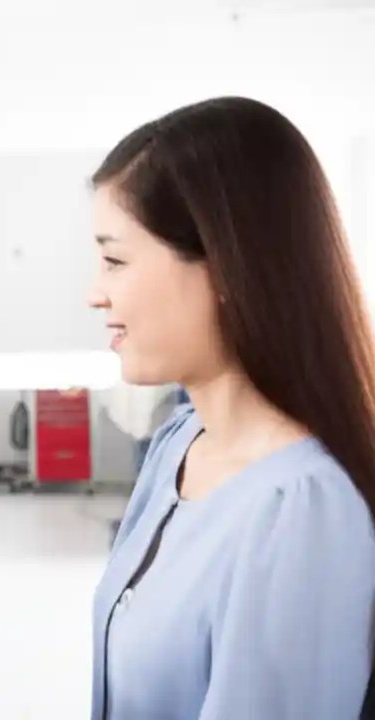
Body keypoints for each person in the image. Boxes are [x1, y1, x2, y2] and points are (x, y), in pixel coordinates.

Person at [86, 96, 375, 719]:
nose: (95, 293)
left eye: (114, 260)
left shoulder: (301, 506)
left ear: (223, 264)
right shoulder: (178, 443)